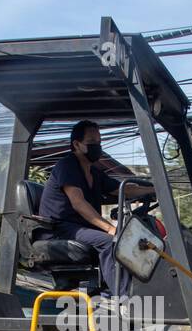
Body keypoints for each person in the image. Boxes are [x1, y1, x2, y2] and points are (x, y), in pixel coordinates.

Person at [38, 120, 153, 298]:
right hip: (60, 229)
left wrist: (155, 189)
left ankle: (133, 290)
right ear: (76, 144)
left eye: (99, 143)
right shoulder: (67, 166)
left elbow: (123, 189)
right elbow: (78, 203)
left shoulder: (94, 172)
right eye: (92, 143)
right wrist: (109, 228)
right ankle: (124, 300)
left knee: (132, 240)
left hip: (79, 229)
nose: (97, 147)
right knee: (110, 241)